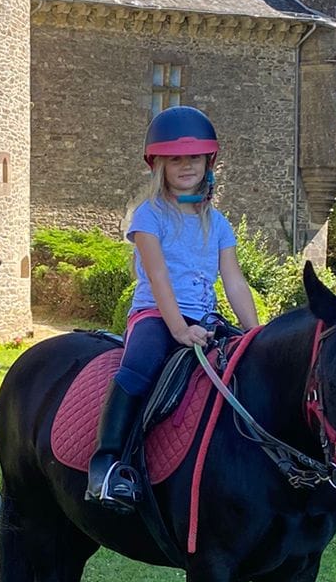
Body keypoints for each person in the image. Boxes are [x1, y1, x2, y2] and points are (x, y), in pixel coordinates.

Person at [85, 105, 259, 510]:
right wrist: (178, 329)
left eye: (194, 157)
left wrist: (255, 333)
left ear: (208, 162)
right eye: (176, 159)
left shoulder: (218, 223)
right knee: (139, 364)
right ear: (158, 164)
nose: (186, 166)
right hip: (156, 315)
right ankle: (106, 464)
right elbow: (158, 276)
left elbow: (234, 280)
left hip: (207, 317)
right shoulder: (149, 216)